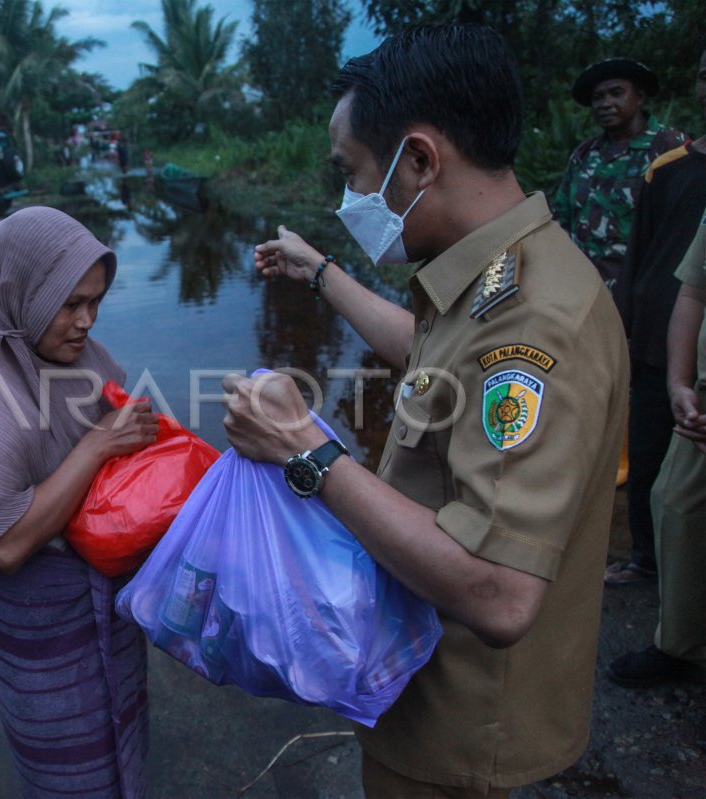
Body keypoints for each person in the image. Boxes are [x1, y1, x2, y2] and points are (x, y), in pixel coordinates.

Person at [224, 25, 628, 796]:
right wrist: (322, 273)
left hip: (456, 722)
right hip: (417, 681)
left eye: (353, 173)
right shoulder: (499, 272)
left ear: (419, 160)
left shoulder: (533, 323)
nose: (349, 198)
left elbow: (500, 591)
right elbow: (432, 355)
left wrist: (304, 447)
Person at [0, 206, 156, 798]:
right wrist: (96, 445)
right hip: (45, 633)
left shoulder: (84, 360)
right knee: (70, 776)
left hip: (111, 608)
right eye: (70, 304)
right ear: (21, 295)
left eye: (96, 302)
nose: (86, 321)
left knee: (126, 750)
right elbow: (7, 549)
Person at [606, 48, 706, 586]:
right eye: (704, 74)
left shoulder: (661, 147)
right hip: (655, 336)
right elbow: (638, 256)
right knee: (647, 454)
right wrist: (625, 322)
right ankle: (646, 558)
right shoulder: (669, 168)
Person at [609, 210, 706, 686]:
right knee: (676, 507)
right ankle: (680, 644)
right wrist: (679, 382)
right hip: (700, 411)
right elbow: (693, 291)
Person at [551, 57, 687, 287]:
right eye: (598, 97)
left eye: (616, 93)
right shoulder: (585, 153)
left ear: (639, 97)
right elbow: (560, 219)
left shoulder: (670, 146)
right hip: (582, 288)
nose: (606, 103)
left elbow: (682, 230)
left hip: (640, 289)